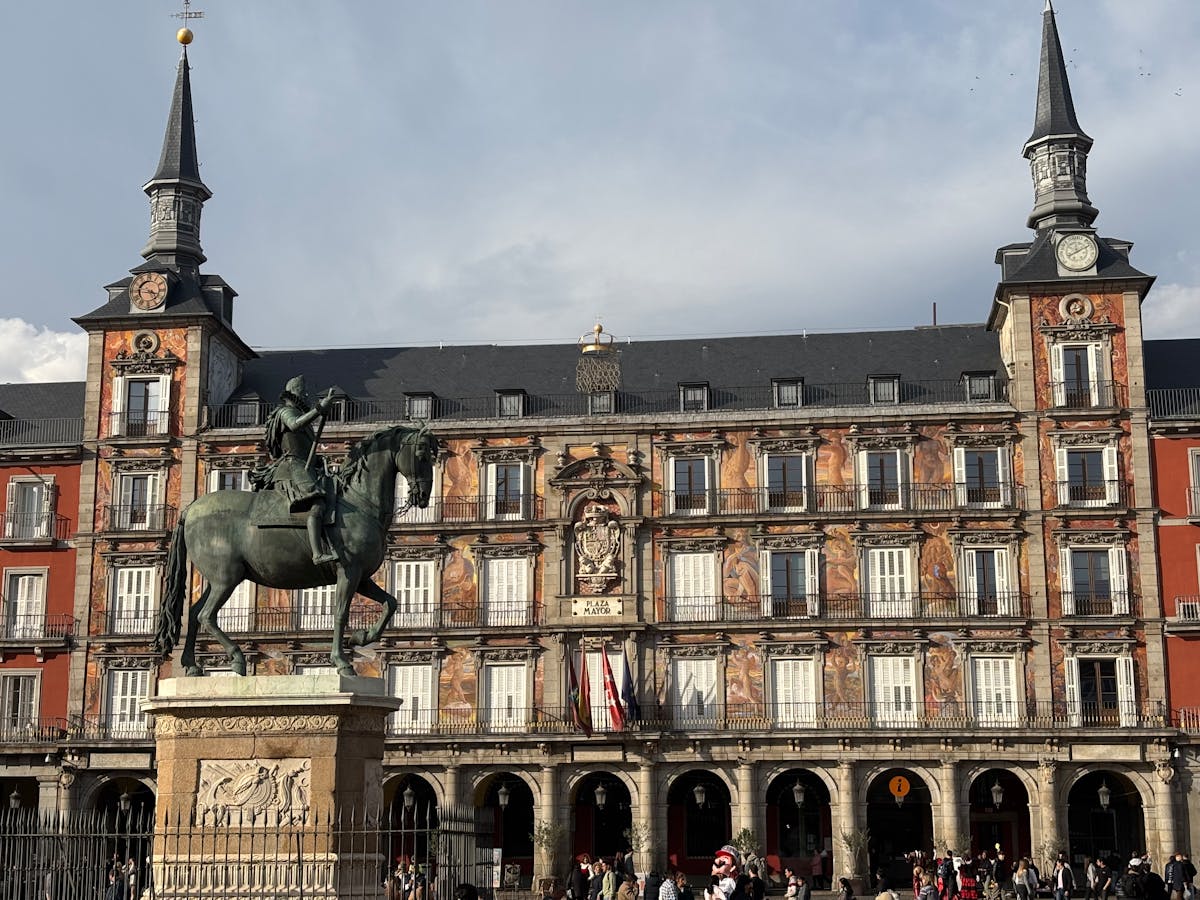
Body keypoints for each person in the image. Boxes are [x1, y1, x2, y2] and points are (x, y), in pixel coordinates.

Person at [255, 375, 339, 565]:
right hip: (292, 467)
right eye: (304, 392)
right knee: (317, 505)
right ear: (295, 394)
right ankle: (317, 554)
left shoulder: (300, 417)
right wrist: (319, 409)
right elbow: (294, 425)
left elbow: (306, 447)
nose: (308, 396)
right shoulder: (285, 412)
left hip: (304, 466)